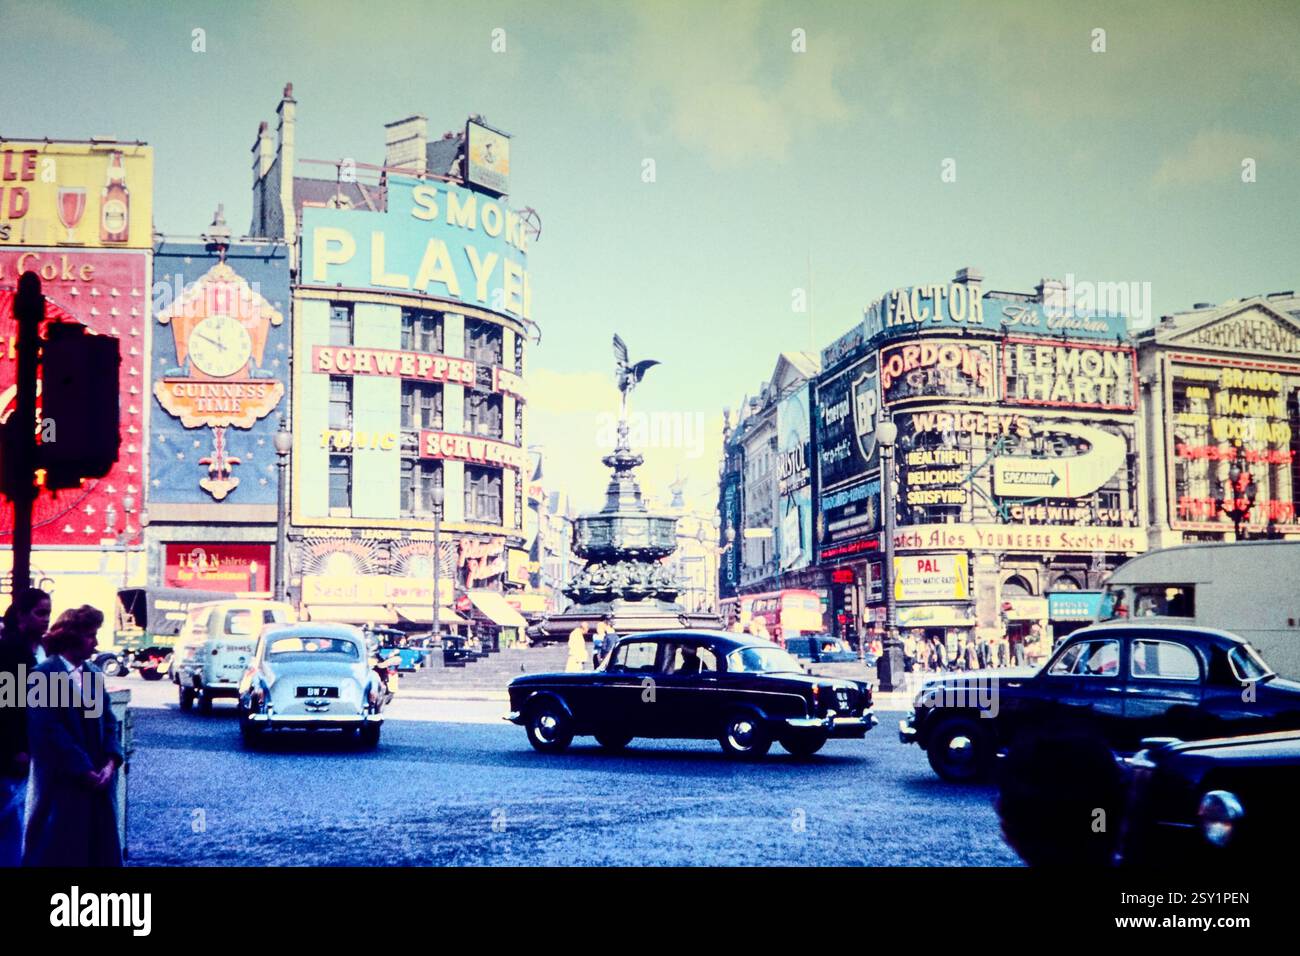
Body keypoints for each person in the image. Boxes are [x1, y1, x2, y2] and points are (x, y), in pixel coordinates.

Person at [24, 605, 123, 867]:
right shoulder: (43, 675)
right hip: (63, 785)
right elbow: (48, 729)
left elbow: (110, 723)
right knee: (58, 851)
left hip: (97, 784)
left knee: (97, 852)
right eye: (90, 635)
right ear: (70, 636)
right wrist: (83, 769)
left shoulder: (94, 675)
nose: (96, 642)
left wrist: (111, 762)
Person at [0, 589, 52, 867]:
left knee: (16, 822)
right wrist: (16, 748)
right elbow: (8, 707)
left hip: (32, 751)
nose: (45, 619)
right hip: (11, 753)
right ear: (21, 615)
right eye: (39, 613)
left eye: (48, 614)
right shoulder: (10, 650)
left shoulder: (41, 649)